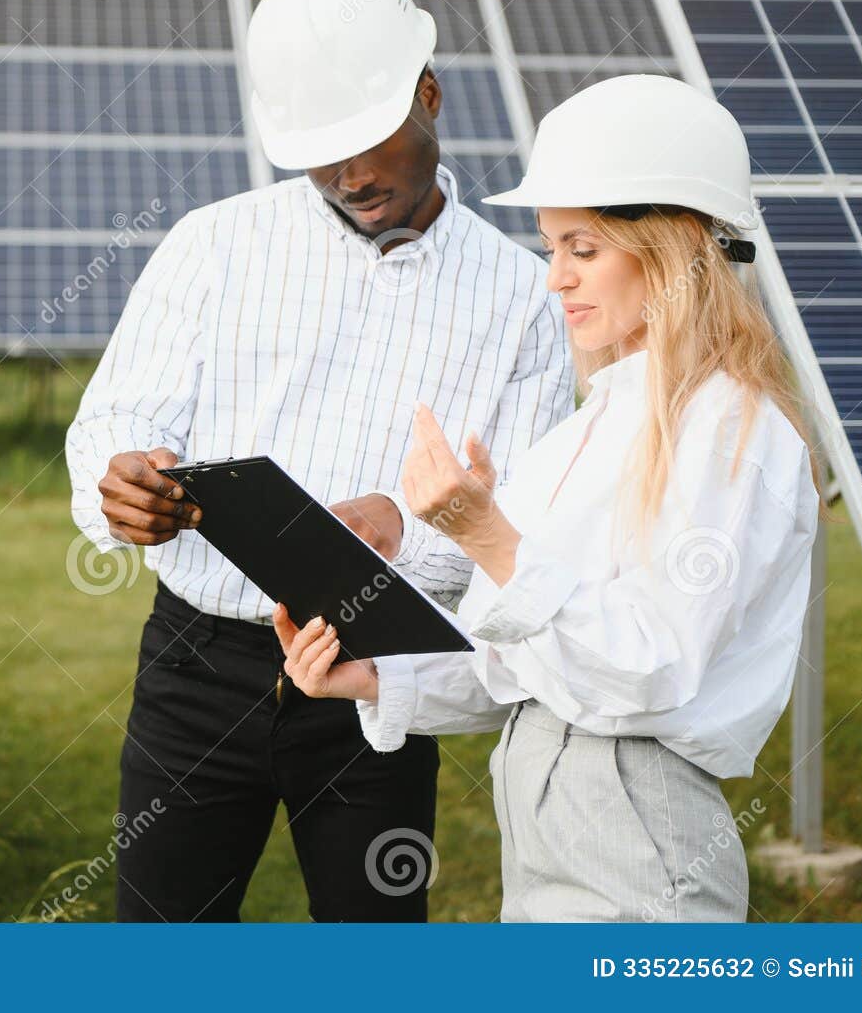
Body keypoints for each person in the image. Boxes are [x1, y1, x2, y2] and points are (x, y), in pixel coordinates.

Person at [65, 0, 574, 922]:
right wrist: (120, 478)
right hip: (195, 669)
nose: (347, 175)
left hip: (377, 675)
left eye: (366, 141)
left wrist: (403, 526)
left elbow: (520, 527)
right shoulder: (213, 247)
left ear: (428, 92)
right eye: (319, 151)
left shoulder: (521, 297)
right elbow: (115, 421)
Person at [274, 74, 824, 922]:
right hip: (542, 816)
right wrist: (376, 677)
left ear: (674, 245)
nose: (553, 279)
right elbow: (530, 671)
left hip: (639, 824)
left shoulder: (729, 430)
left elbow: (650, 670)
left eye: (583, 248)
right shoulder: (595, 422)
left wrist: (488, 536)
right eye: (550, 247)